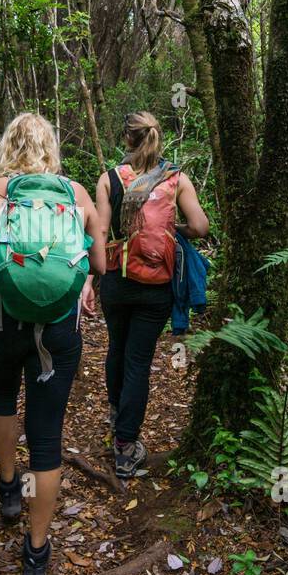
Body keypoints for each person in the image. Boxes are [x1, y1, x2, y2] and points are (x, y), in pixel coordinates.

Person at [0, 113, 106, 575]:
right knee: (46, 436)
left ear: (8, 145)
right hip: (58, 331)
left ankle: (7, 486)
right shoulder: (76, 193)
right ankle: (37, 553)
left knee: (2, 396)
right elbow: (100, 262)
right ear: (51, 148)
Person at [82, 111, 209, 478]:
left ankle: (115, 414)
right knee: (138, 361)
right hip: (156, 287)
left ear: (127, 140)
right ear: (157, 139)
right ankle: (126, 447)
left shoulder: (108, 179)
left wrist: (89, 282)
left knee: (116, 349)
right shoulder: (176, 178)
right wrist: (174, 228)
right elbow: (200, 227)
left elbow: (100, 233)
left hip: (117, 282)